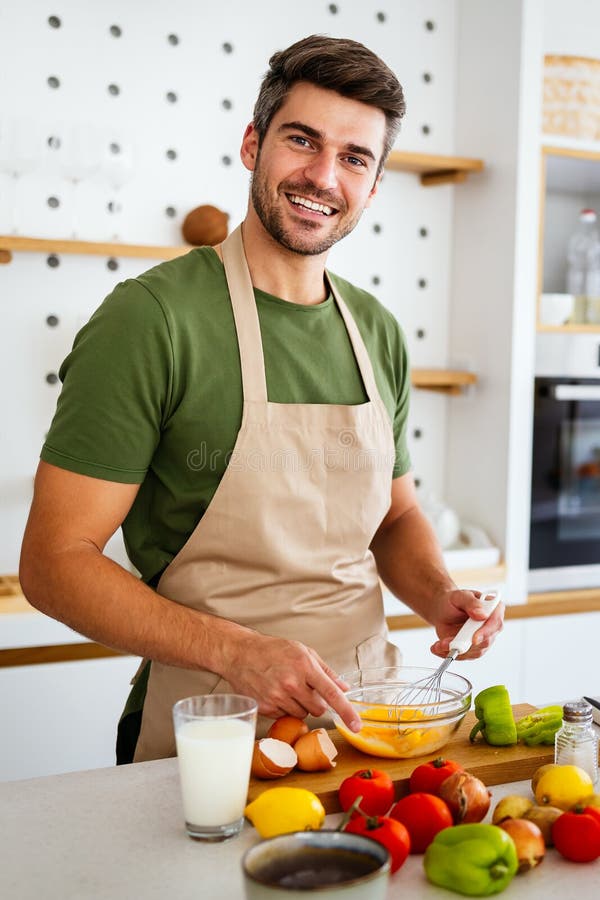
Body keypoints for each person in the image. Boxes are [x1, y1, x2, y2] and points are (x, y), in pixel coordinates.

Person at [19, 34, 504, 764]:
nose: (322, 176)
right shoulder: (151, 319)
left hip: (369, 729)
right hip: (209, 727)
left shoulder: (377, 331)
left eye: (354, 157)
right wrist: (237, 653)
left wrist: (438, 595)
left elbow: (396, 516)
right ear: (253, 143)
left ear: (373, 184)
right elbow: (54, 562)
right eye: (301, 141)